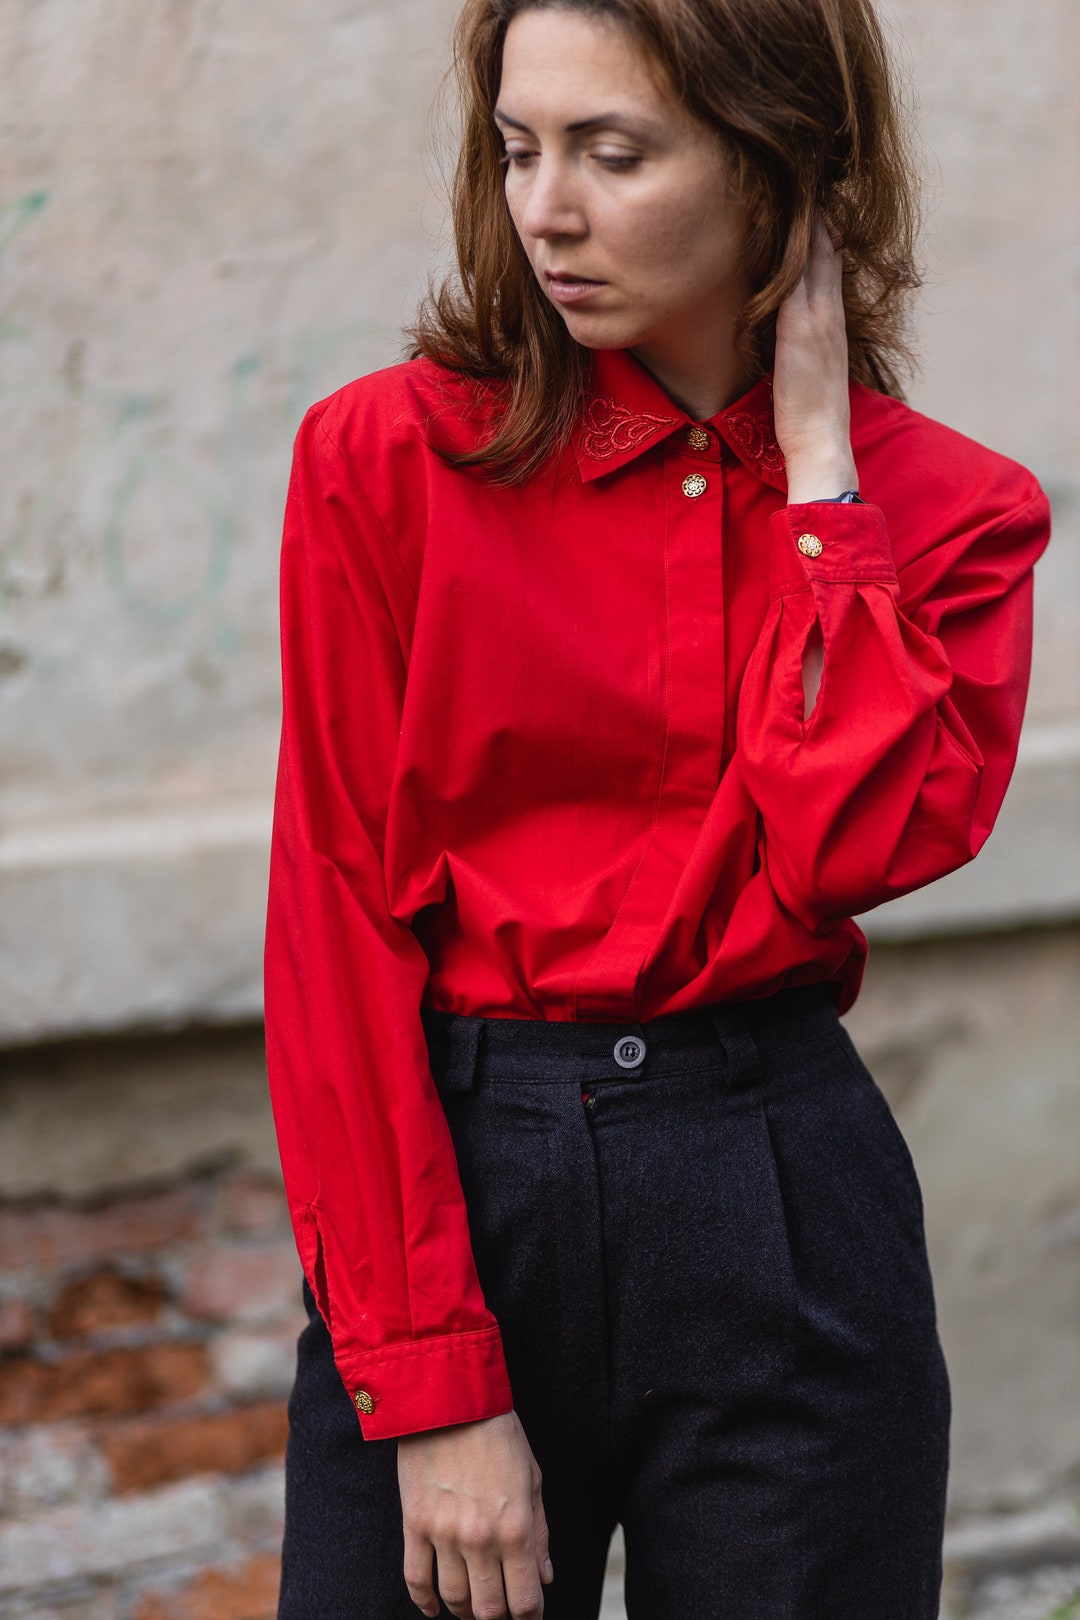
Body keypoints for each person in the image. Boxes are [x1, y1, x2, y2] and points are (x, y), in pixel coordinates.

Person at [263, 0, 1051, 1615]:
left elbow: (852, 848)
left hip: (781, 1193)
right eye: (517, 148)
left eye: (613, 153)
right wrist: (433, 1383)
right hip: (472, 1183)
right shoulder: (390, 463)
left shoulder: (952, 519)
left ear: (781, 173)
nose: (545, 209)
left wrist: (823, 488)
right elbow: (335, 919)